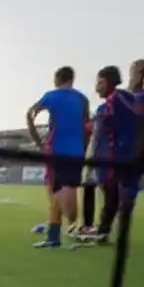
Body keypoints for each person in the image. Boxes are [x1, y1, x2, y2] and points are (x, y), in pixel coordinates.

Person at [27, 66, 90, 248]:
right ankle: (56, 235)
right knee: (64, 189)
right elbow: (87, 126)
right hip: (77, 152)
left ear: (57, 79)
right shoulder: (82, 99)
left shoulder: (51, 96)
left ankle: (71, 226)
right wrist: (84, 147)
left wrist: (38, 141)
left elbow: (30, 114)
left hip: (56, 150)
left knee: (55, 193)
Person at [82, 65, 144, 245]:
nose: (97, 87)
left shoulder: (117, 100)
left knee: (112, 195)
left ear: (110, 82)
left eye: (100, 82)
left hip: (113, 157)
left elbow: (110, 125)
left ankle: (103, 231)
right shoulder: (119, 101)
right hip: (116, 156)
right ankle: (103, 231)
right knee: (113, 196)